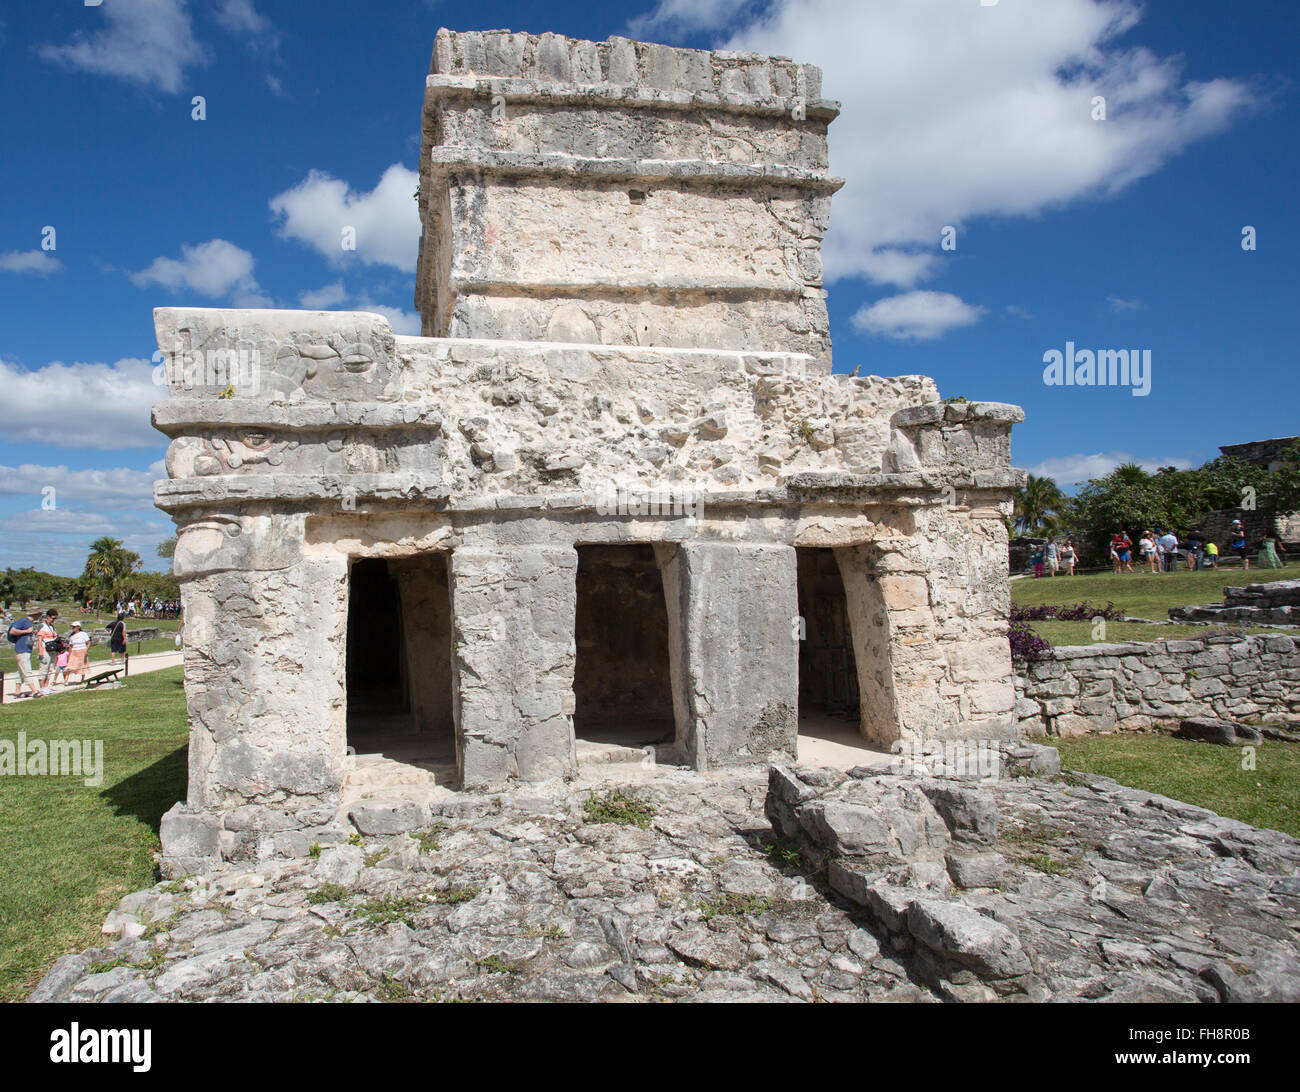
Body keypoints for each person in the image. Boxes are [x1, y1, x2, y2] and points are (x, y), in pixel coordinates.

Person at [6, 610, 43, 697]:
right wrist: (27, 631)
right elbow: (12, 631)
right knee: (27, 670)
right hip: (21, 649)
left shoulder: (30, 623)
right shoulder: (24, 620)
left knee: (21, 671)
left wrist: (31, 632)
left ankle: (17, 691)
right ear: (36, 614)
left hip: (27, 649)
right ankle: (34, 691)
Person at [35, 610, 59, 694]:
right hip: (45, 649)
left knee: (50, 668)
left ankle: (46, 686)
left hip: (53, 649)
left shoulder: (52, 627)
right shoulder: (42, 626)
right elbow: (39, 639)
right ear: (47, 617)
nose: (53, 620)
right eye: (52, 618)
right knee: (44, 668)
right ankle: (41, 687)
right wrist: (40, 651)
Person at [65, 620, 90, 685]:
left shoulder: (83, 634)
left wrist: (86, 650)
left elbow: (88, 642)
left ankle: (83, 679)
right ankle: (66, 680)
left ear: (78, 627)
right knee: (70, 665)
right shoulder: (72, 636)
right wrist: (69, 654)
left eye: (74, 627)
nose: (73, 628)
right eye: (72, 627)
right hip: (74, 651)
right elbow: (71, 646)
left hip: (82, 650)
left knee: (82, 665)